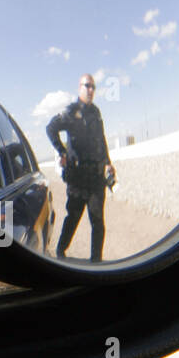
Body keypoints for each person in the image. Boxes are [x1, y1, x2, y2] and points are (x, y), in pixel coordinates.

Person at [46, 73, 116, 261]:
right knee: (74, 217)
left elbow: (101, 139)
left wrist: (108, 162)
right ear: (80, 88)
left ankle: (96, 262)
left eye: (93, 87)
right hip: (77, 177)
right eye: (87, 86)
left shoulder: (96, 113)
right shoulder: (71, 111)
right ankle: (61, 251)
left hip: (96, 177)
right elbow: (50, 128)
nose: (91, 90)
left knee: (98, 221)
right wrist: (62, 152)